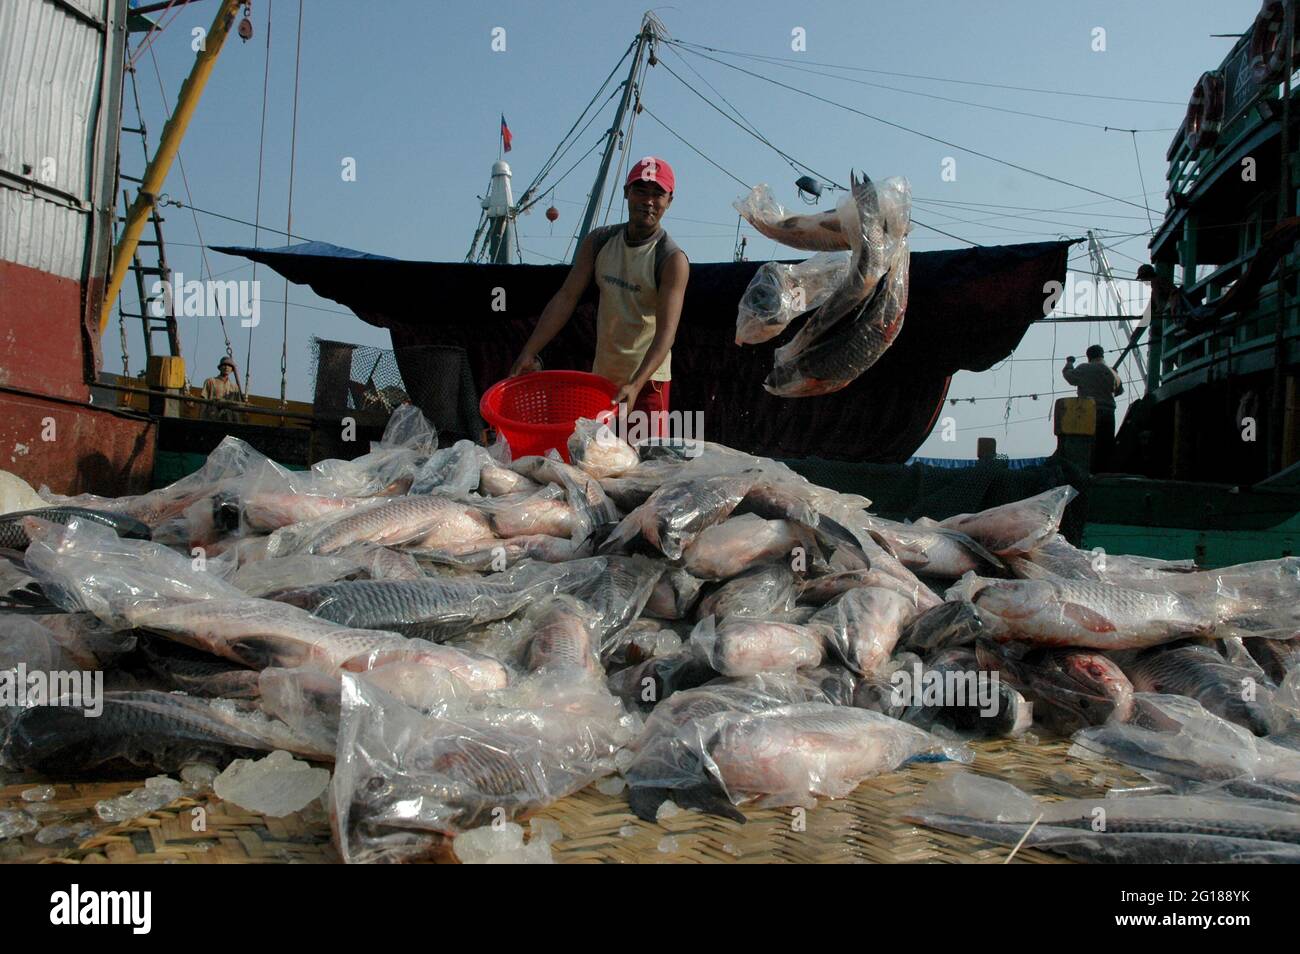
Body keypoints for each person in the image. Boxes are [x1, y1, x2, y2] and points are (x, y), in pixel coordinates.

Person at [509, 156, 689, 434]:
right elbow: (566, 297)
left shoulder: (671, 259)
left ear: (670, 201)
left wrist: (636, 384)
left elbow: (667, 333)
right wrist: (528, 352)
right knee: (598, 464)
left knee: (645, 470)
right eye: (641, 191)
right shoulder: (598, 241)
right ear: (627, 192)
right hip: (601, 381)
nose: (649, 201)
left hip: (647, 383)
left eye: (658, 194)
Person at [1062, 345, 1123, 471]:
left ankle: (1087, 474)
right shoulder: (1113, 372)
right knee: (1106, 445)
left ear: (1088, 356)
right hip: (1109, 413)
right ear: (1102, 355)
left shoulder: (1084, 368)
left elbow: (1069, 376)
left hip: (1089, 412)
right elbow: (1119, 391)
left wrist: (1069, 362)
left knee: (1087, 446)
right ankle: (1103, 473)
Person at [201, 357, 244, 423]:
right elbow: (203, 402)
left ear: (232, 369)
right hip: (212, 417)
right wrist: (201, 419)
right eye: (224, 365)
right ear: (220, 367)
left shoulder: (234, 387)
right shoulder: (210, 381)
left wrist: (238, 424)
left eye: (229, 366)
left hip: (228, 419)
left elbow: (237, 408)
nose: (226, 367)